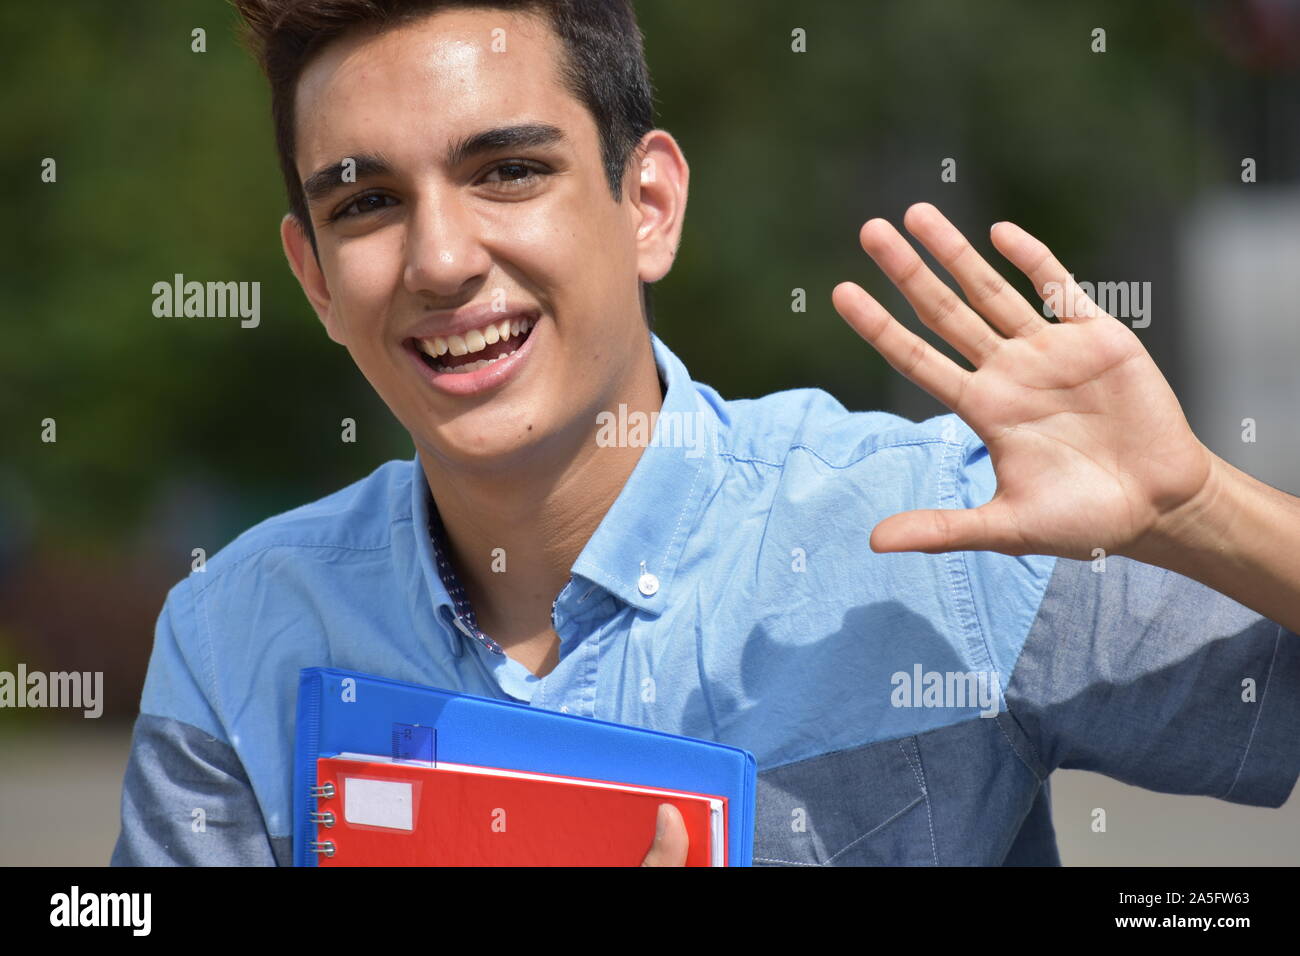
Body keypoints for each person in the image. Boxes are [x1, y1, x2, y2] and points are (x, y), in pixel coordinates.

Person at [112, 0, 1300, 867]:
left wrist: (1197, 509)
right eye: (366, 201)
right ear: (314, 276)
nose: (439, 258)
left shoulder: (937, 532)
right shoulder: (236, 636)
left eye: (508, 171)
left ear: (648, 204)